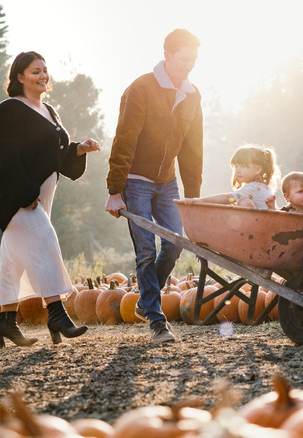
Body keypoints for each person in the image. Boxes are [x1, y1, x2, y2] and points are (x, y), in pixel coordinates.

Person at [0, 51, 101, 348]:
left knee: (13, 260)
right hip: (15, 196)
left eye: (45, 71)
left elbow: (55, 157)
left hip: (40, 199)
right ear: (19, 77)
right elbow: (0, 155)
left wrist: (78, 150)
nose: (43, 76)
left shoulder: (49, 110)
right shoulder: (10, 109)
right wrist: (24, 194)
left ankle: (6, 322)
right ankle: (57, 313)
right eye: (35, 71)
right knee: (47, 242)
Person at [104, 29, 203, 343]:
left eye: (194, 59)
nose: (189, 65)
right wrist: (114, 190)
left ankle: (146, 300)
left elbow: (192, 148)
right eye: (184, 58)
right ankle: (157, 323)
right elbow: (124, 139)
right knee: (146, 251)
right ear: (168, 54)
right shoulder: (142, 88)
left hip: (167, 183)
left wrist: (193, 198)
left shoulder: (192, 94)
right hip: (135, 182)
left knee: (174, 243)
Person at [188, 144, 279, 209]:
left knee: (243, 201)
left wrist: (199, 201)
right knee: (238, 201)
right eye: (236, 167)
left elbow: (228, 197)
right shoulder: (265, 186)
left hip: (262, 226)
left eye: (243, 166)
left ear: (258, 169)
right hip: (267, 222)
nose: (237, 170)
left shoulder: (253, 188)